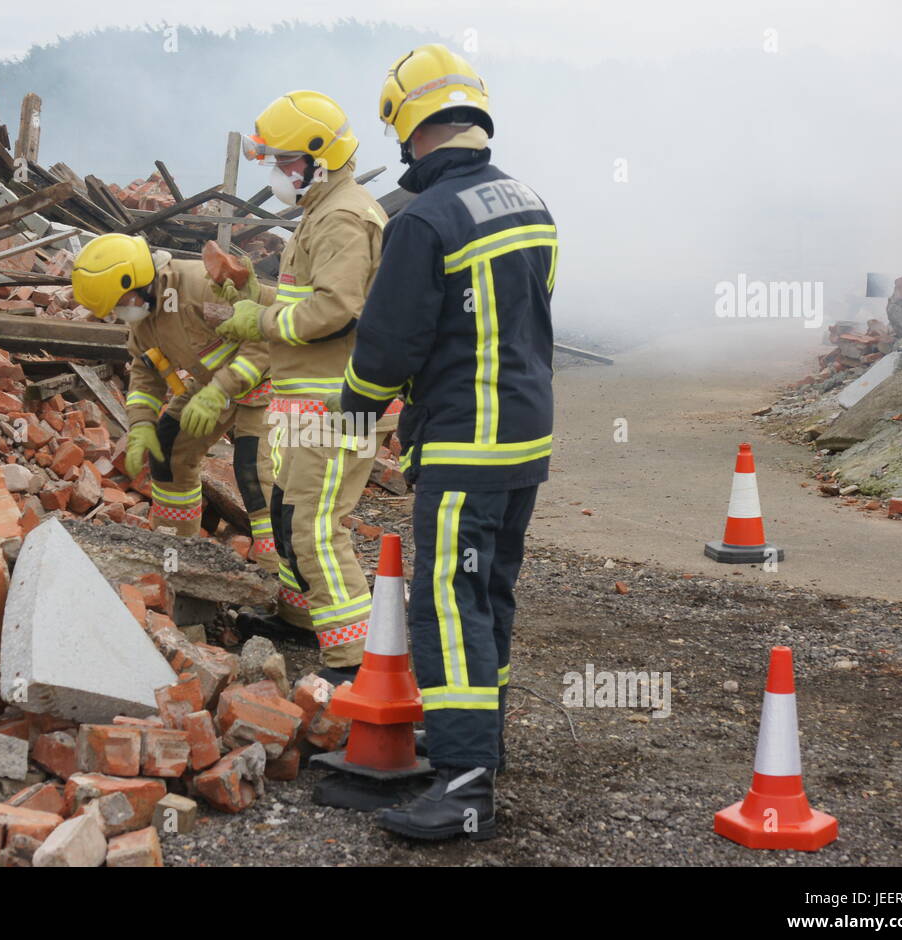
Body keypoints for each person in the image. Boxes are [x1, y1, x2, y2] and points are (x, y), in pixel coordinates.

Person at [337, 44, 559, 840]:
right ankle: (480, 741)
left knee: (446, 603)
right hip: (525, 441)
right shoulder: (528, 201)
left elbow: (387, 347)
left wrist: (352, 416)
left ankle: (465, 786)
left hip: (467, 446)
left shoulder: (423, 219)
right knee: (488, 593)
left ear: (407, 128)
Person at [216, 91, 393, 682]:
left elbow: (336, 309)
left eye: (284, 161)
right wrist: (253, 294)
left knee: (317, 529)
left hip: (334, 404)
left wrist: (259, 321)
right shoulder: (322, 210)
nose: (277, 173)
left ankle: (357, 664)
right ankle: (305, 623)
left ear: (318, 156)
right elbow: (302, 302)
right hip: (305, 403)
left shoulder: (344, 215)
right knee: (291, 516)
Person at [71, 233, 279, 572]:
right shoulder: (146, 315)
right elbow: (145, 371)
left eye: (120, 302)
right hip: (216, 382)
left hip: (271, 378)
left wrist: (220, 391)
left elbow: (264, 336)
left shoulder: (200, 289)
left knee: (255, 475)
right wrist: (140, 424)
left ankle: (281, 584)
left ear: (136, 281)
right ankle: (176, 553)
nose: (120, 313)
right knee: (167, 451)